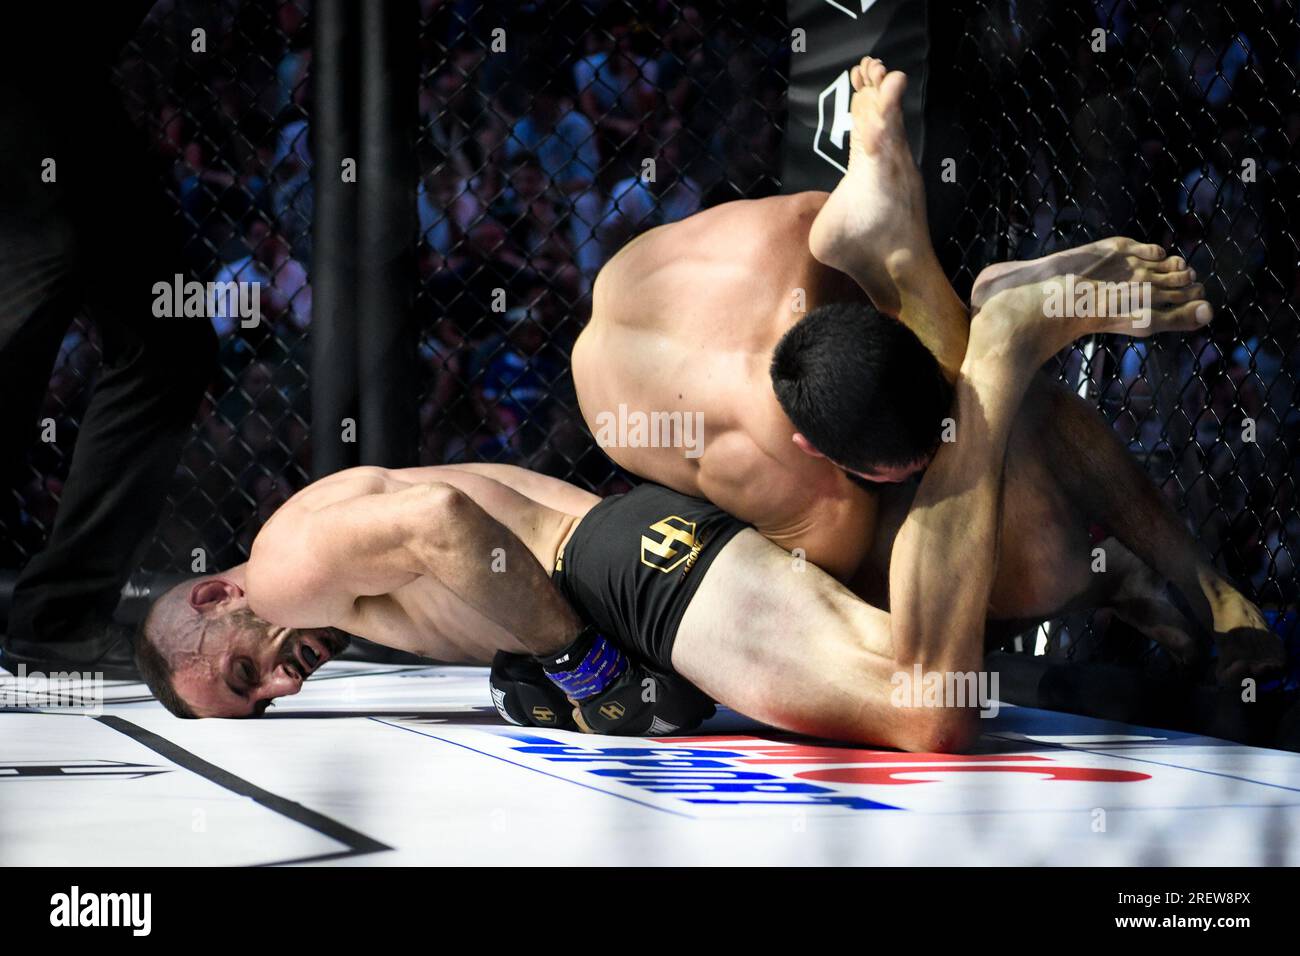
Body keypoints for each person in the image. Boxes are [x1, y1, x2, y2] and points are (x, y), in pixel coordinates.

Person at [133, 263, 1213, 750]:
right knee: (945, 648)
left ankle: (1002, 345)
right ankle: (1103, 560)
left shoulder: (281, 564)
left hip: (625, 577)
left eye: (245, 668)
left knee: (927, 707)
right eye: (261, 701)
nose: (279, 677)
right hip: (637, 554)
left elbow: (440, 531)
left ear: (220, 592)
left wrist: (578, 662)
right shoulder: (319, 550)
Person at [572, 56, 1284, 683]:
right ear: (813, 452)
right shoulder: (820, 500)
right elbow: (902, 621)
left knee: (995, 415)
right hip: (745, 284)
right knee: (1021, 498)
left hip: (646, 292)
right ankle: (960, 293)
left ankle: (982, 313)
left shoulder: (812, 474)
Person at [0, 5, 216, 678]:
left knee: (168, 340)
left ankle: (60, 620)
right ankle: (58, 621)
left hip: (61, 81)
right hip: (29, 72)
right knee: (36, 298)